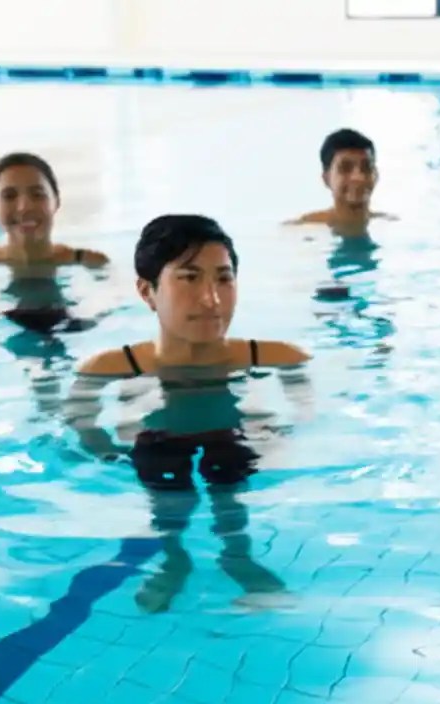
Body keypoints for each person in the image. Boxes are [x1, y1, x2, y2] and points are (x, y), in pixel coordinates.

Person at [68, 214, 312, 613]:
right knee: (155, 458)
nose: (211, 298)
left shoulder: (282, 357)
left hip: (230, 436)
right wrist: (111, 453)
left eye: (223, 278)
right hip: (159, 442)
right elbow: (82, 423)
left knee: (230, 461)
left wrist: (278, 438)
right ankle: (173, 556)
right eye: (190, 277)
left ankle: (238, 555)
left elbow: (304, 412)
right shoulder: (106, 368)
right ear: (147, 292)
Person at [0, 152, 110, 334]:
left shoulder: (91, 262)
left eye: (37, 195)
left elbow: (107, 304)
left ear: (56, 202)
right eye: (9, 196)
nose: (24, 207)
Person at [285, 128, 395, 239]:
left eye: (366, 167)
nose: (358, 177)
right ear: (326, 179)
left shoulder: (389, 224)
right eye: (345, 168)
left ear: (376, 175)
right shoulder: (301, 229)